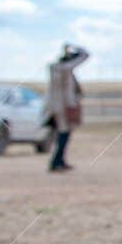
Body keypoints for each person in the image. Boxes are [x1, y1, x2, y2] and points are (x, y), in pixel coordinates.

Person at [42, 43, 88, 173]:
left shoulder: (55, 68)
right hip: (64, 107)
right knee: (64, 133)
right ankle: (57, 161)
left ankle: (59, 160)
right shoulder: (65, 68)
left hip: (56, 106)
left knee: (62, 134)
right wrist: (74, 47)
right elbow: (85, 55)